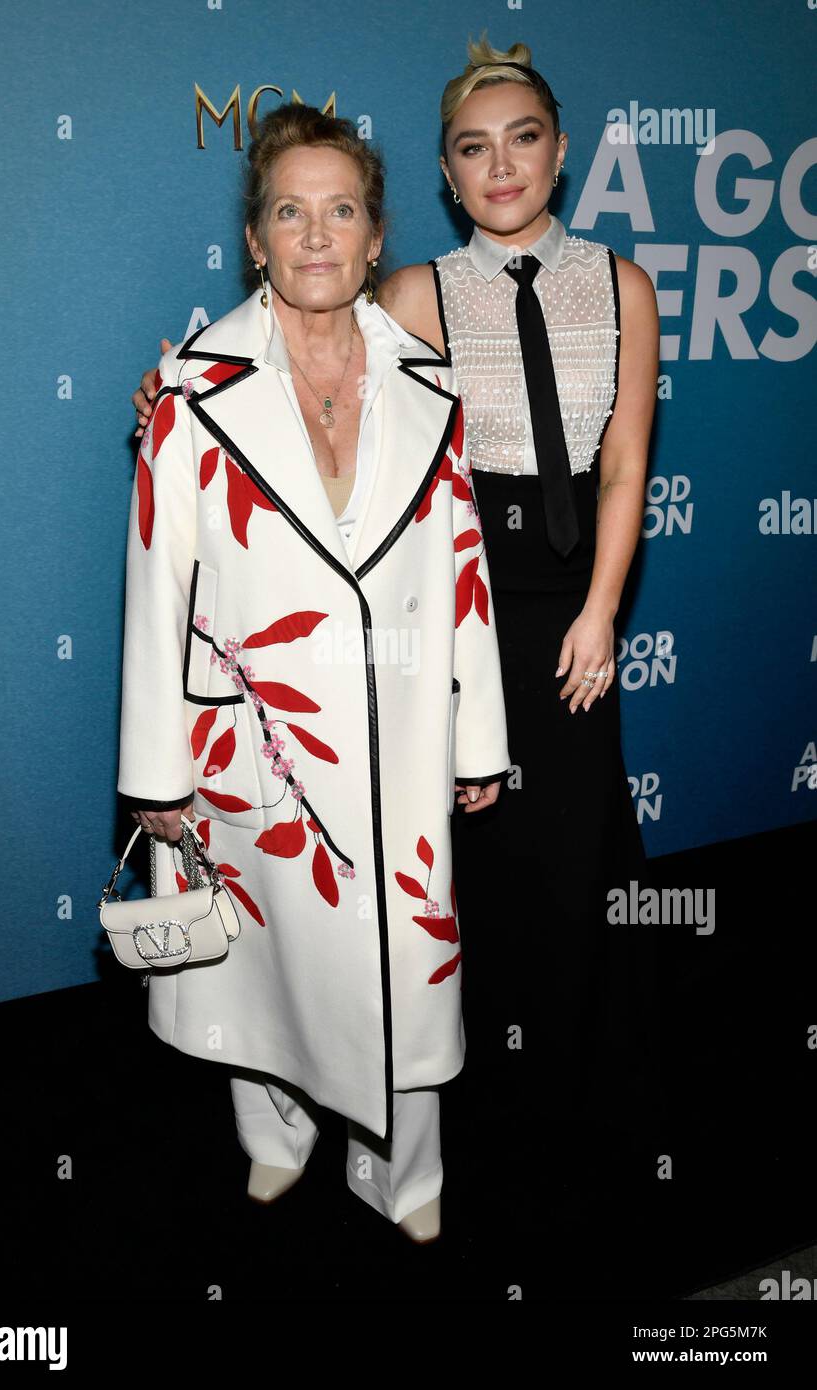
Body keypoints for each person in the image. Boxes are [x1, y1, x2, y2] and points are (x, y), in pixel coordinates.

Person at [132, 38, 663, 1183]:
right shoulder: (413, 293)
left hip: (570, 607)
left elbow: (626, 463)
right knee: (437, 880)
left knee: (569, 867)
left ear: (561, 152)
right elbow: (318, 385)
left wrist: (604, 610)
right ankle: (424, 1101)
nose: (502, 165)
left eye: (523, 139)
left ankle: (558, 1093)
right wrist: (173, 394)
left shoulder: (624, 284)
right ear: (444, 173)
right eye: (474, 147)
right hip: (444, 614)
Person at [117, 102, 511, 1244]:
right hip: (253, 746)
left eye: (341, 210)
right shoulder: (189, 392)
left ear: (379, 233)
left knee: (405, 962)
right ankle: (274, 1136)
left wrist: (476, 736)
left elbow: (465, 577)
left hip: (395, 745)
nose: (318, 235)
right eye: (291, 212)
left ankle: (403, 1173)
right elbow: (157, 589)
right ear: (256, 239)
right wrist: (156, 771)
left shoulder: (432, 387)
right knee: (268, 956)